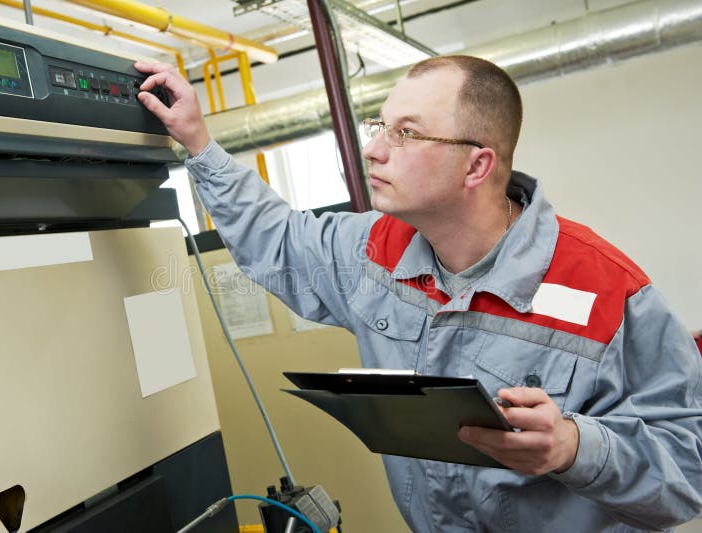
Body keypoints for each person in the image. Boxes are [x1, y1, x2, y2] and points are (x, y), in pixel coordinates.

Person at [135, 56, 702, 532]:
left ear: (476, 165)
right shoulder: (374, 251)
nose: (376, 150)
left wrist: (575, 448)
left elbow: (689, 464)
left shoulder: (607, 291)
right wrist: (198, 142)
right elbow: (278, 240)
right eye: (378, 127)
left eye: (406, 132)